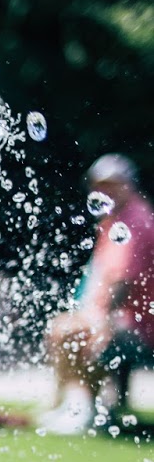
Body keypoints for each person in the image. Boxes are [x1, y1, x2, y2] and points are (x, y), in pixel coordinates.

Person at [42, 155, 154, 433]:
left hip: (138, 324)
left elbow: (121, 281)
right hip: (129, 319)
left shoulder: (134, 221)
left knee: (68, 332)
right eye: (98, 185)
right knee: (68, 327)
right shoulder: (118, 218)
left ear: (128, 185)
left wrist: (98, 318)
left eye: (111, 185)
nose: (102, 192)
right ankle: (73, 406)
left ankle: (82, 409)